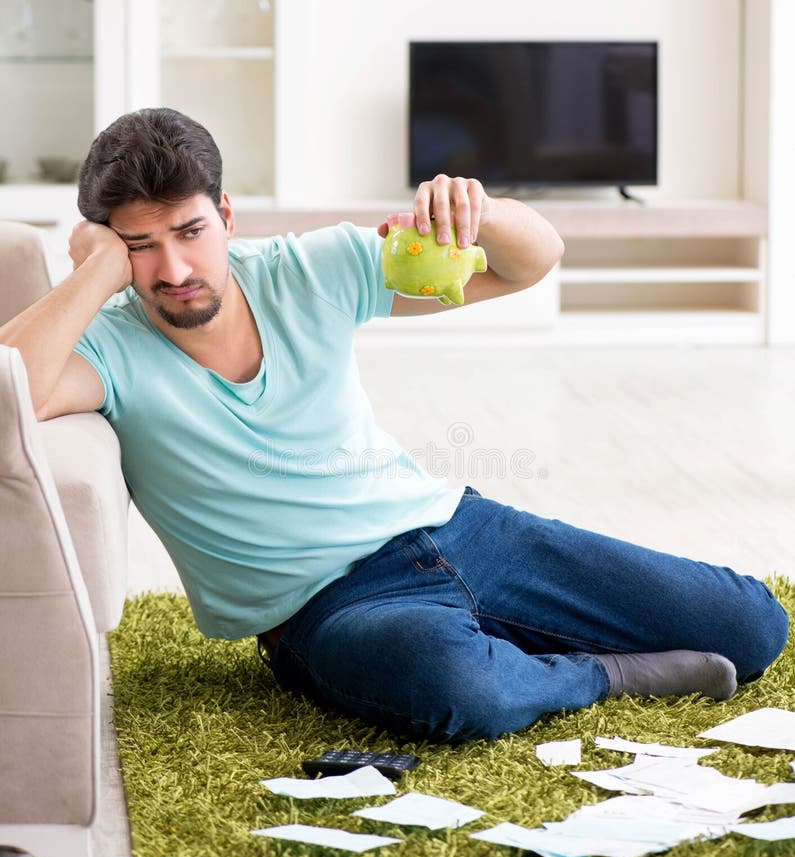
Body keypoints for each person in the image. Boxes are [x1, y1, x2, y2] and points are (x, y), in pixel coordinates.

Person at [1, 108, 787, 744]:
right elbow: (9, 391)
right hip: (330, 610)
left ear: (226, 215)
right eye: (140, 246)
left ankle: (521, 645)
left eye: (189, 232)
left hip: (455, 530)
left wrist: (477, 208)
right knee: (454, 685)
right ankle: (602, 673)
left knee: (750, 625)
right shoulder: (106, 342)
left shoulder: (310, 269)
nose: (172, 270)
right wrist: (95, 272)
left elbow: (529, 263)